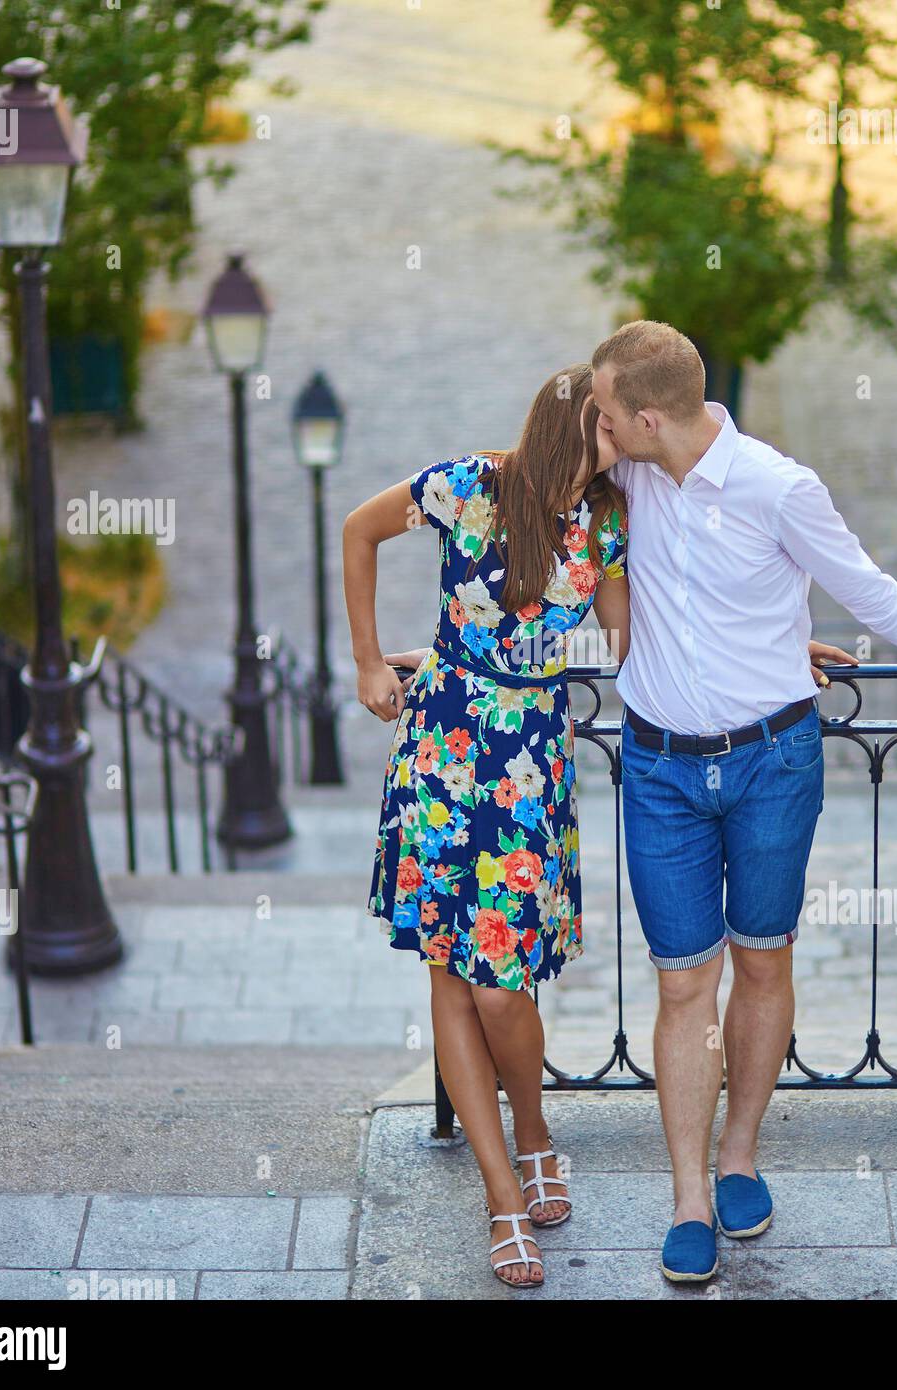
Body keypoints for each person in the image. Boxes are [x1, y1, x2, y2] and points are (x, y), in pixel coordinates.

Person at [587, 319, 897, 1283]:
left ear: (650, 415)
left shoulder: (777, 487)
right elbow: (539, 497)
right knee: (681, 983)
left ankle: (741, 1155)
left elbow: (865, 588)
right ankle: (688, 1200)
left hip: (773, 765)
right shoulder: (621, 477)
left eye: (606, 413)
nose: (596, 426)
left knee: (762, 960)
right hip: (661, 770)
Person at [341, 364, 628, 1288]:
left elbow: (630, 642)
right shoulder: (466, 486)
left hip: (531, 757)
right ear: (572, 428)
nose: (625, 445)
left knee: (499, 986)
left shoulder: (607, 520)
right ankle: (505, 1193)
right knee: (453, 978)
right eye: (612, 431)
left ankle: (536, 1133)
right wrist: (367, 664)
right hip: (441, 749)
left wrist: (783, 644)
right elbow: (358, 530)